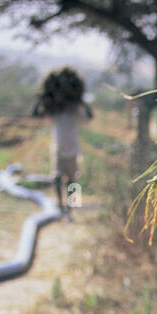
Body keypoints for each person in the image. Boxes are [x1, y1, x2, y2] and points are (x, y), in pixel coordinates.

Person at [31, 82, 92, 217]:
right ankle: (60, 206)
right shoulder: (55, 112)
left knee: (72, 181)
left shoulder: (75, 111)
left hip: (73, 150)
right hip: (58, 149)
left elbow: (90, 115)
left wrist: (82, 102)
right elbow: (35, 114)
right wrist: (41, 99)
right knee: (57, 178)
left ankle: (70, 209)